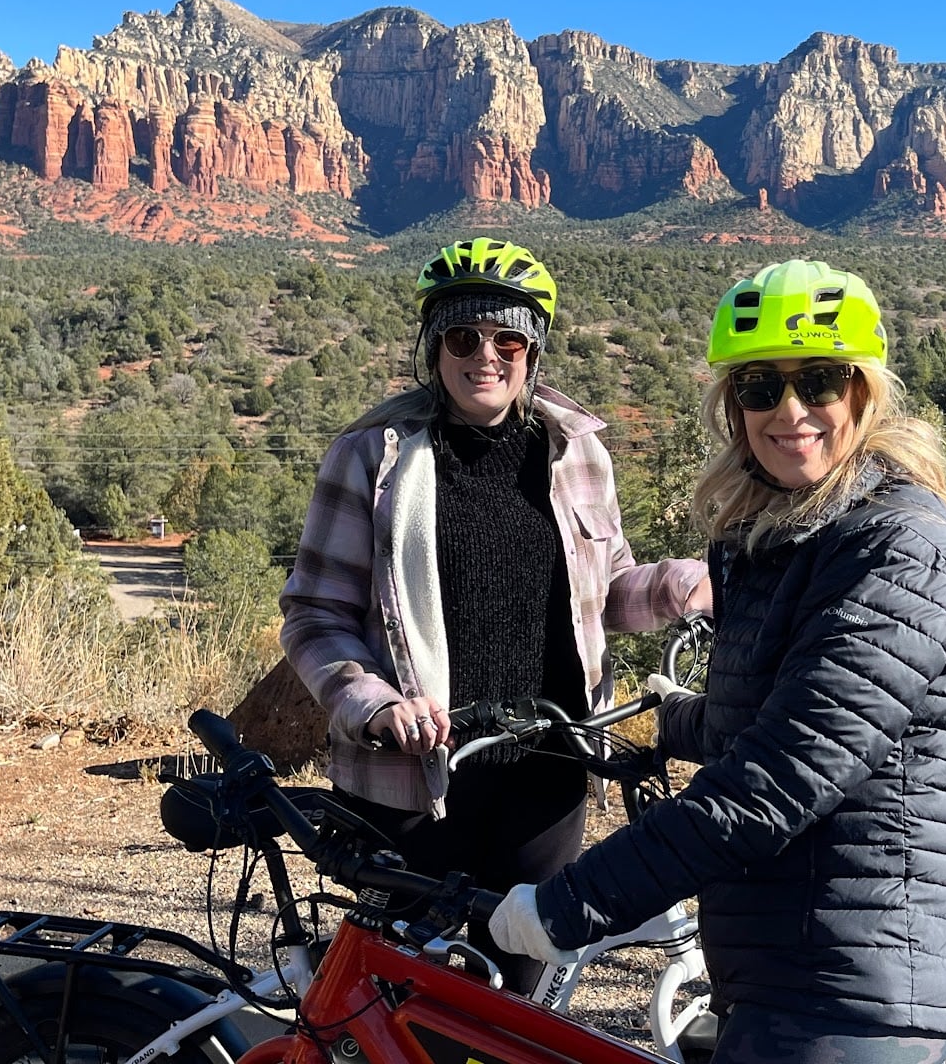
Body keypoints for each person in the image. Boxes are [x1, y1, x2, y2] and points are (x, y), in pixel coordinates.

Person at [489, 258, 946, 1062]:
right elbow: (779, 711)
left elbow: (785, 772)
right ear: (734, 405)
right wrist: (667, 720)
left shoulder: (898, 546)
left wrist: (570, 907)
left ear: (863, 392)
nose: (790, 410)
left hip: (857, 985)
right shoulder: (782, 535)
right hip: (789, 969)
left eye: (821, 381)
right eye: (761, 387)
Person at [279, 237, 708, 994]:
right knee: (403, 1005)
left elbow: (605, 594)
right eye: (463, 336)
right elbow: (314, 614)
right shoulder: (372, 456)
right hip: (408, 781)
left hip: (548, 777)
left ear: (533, 350)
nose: (487, 355)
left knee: (518, 1000)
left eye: (508, 338)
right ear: (433, 346)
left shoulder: (575, 451)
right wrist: (373, 705)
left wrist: (681, 585)